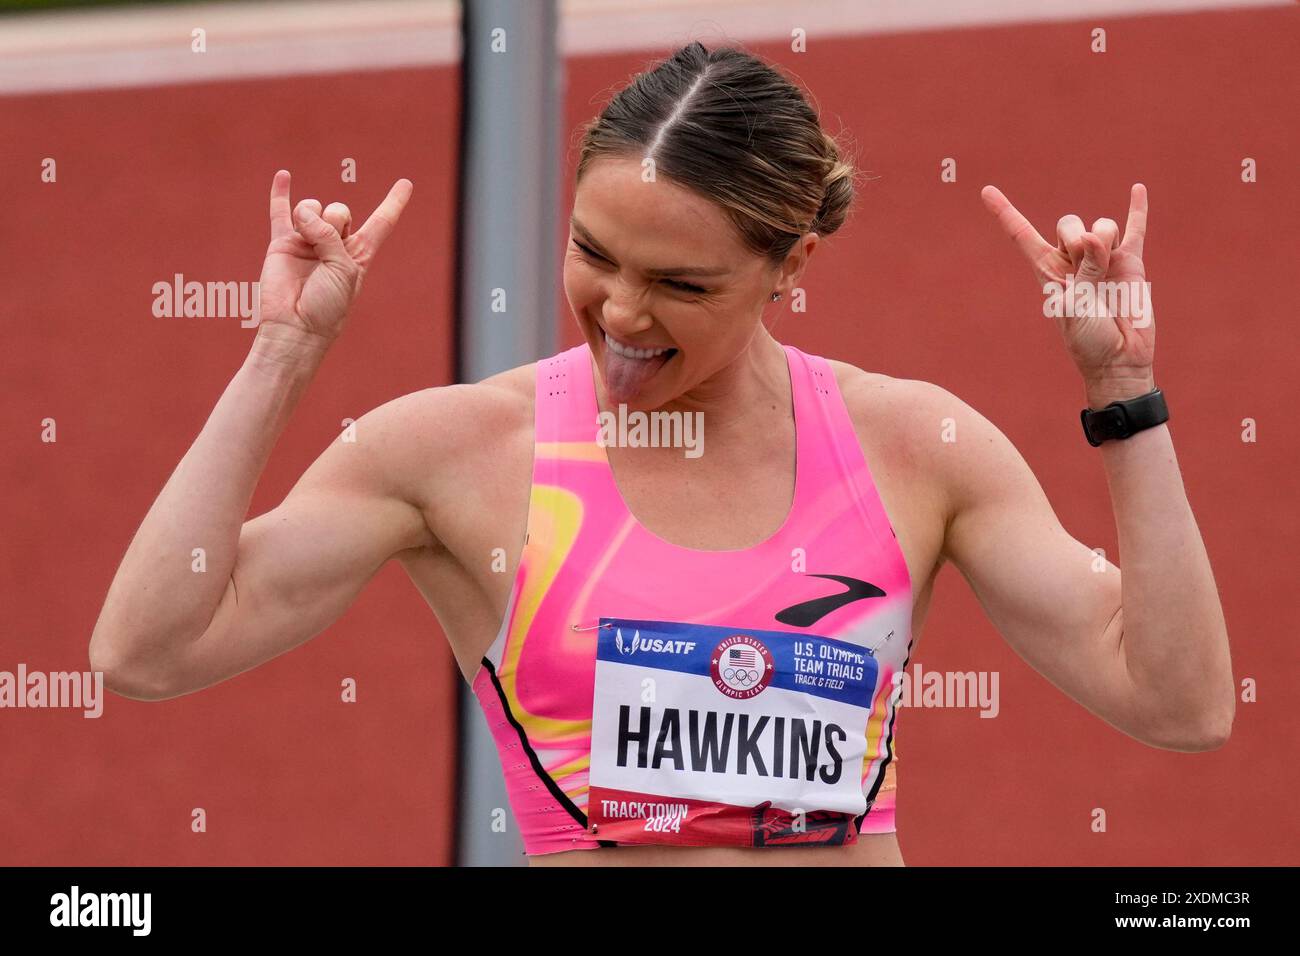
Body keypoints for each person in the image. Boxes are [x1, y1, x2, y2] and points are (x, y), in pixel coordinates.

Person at [89, 42, 1234, 867]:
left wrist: (1122, 392)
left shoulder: (912, 445)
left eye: (683, 284)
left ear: (789, 267)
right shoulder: (457, 450)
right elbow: (147, 649)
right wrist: (280, 356)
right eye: (595, 255)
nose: (623, 313)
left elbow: (1179, 703)